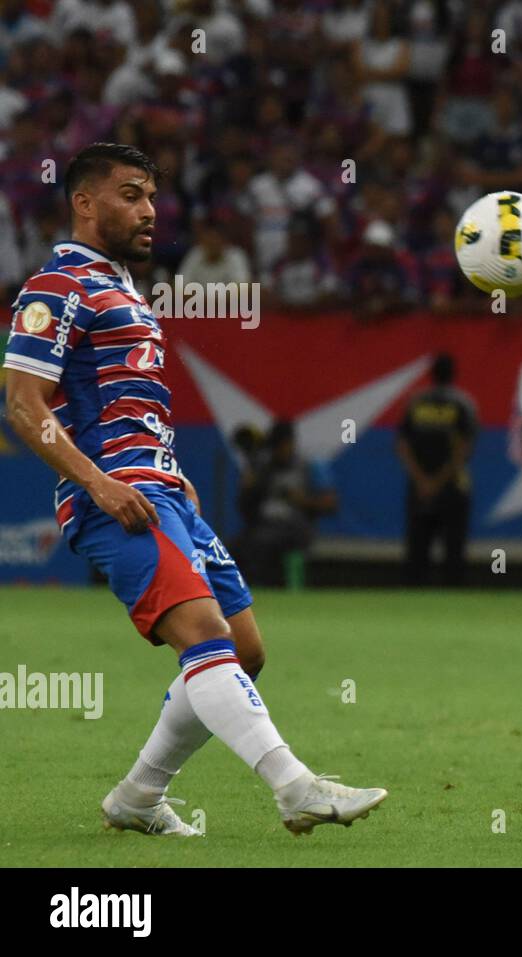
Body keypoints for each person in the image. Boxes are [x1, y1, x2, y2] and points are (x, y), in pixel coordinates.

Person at [3, 143, 386, 837]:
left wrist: (170, 469)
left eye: (150, 196)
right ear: (83, 202)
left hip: (160, 489)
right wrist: (97, 481)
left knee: (244, 649)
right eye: (129, 194)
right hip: (115, 499)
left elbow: (125, 401)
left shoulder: (123, 290)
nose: (148, 210)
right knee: (205, 637)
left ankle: (139, 795)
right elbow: (24, 403)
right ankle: (295, 786)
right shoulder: (58, 286)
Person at [397, 352, 477, 587]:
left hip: (419, 488)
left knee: (417, 552)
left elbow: (403, 446)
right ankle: (455, 606)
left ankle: (412, 606)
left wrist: (422, 481)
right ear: (454, 374)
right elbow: (464, 448)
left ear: (431, 374)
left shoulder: (416, 402)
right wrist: (439, 481)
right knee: (453, 552)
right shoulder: (463, 403)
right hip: (454, 486)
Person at [236, 419, 338, 587]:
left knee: (260, 543)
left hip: (295, 527)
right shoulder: (264, 468)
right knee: (243, 545)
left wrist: (301, 499)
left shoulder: (309, 466)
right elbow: (245, 507)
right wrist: (248, 487)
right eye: (275, 446)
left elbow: (330, 504)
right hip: (264, 526)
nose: (278, 450)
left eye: (282, 444)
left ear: (291, 443)